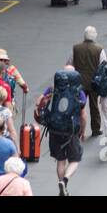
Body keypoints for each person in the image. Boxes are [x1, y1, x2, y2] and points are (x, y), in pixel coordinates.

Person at [35, 65, 88, 196]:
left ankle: (61, 183)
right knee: (75, 160)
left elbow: (38, 102)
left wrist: (44, 103)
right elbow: (83, 114)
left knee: (60, 160)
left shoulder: (53, 88)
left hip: (54, 129)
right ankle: (65, 180)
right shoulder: (78, 91)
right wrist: (82, 130)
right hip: (71, 130)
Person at [69, 26, 105, 139]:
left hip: (79, 82)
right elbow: (104, 65)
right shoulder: (99, 49)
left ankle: (77, 128)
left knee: (78, 107)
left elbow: (70, 63)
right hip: (94, 83)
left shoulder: (76, 48)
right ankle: (96, 129)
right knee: (94, 106)